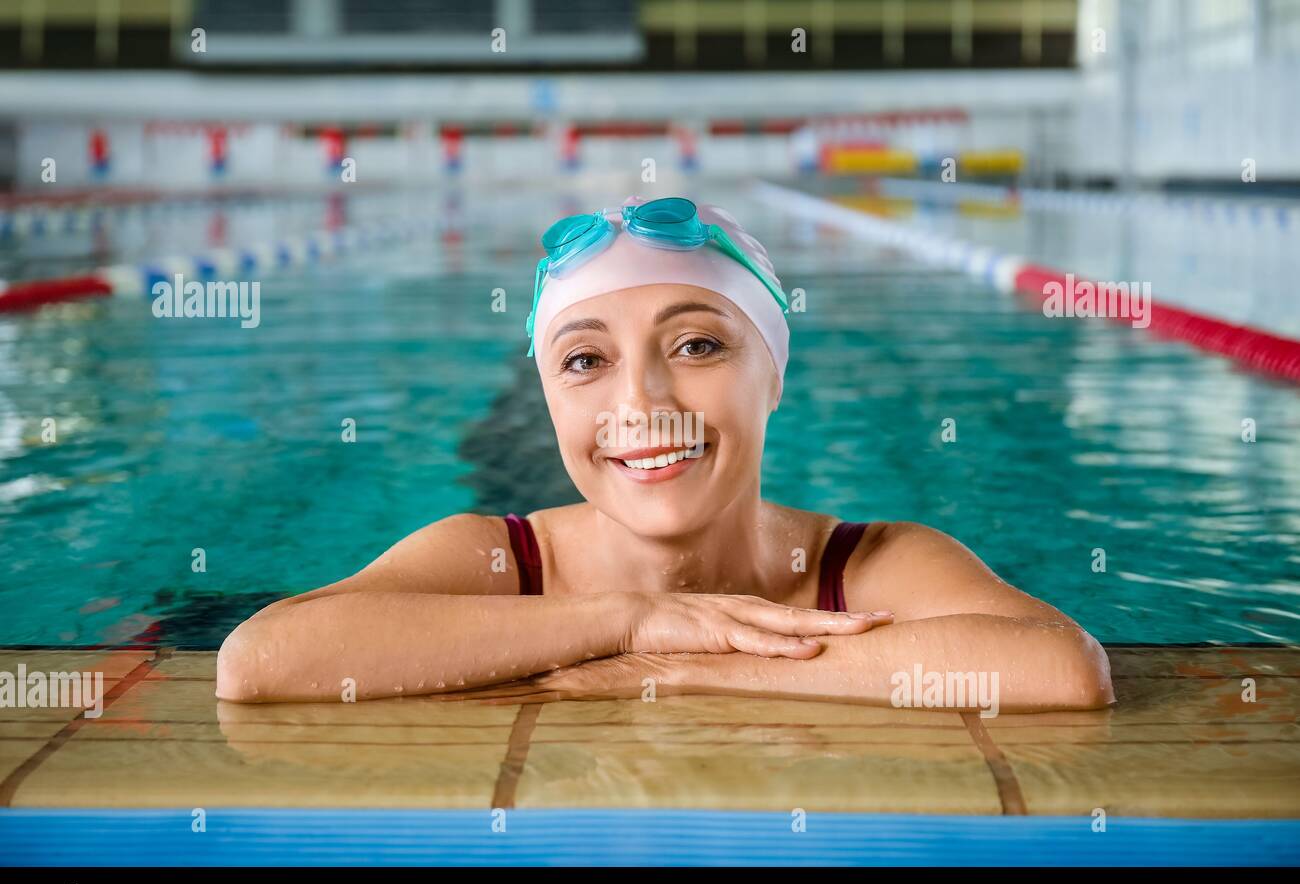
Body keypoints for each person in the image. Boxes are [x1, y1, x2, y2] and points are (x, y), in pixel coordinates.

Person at [216, 195, 1113, 712]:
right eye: (584, 361)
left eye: (697, 347)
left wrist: (710, 665)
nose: (641, 403)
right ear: (550, 401)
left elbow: (1062, 668)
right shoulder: (498, 560)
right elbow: (259, 661)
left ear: (774, 376)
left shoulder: (867, 564)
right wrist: (632, 621)